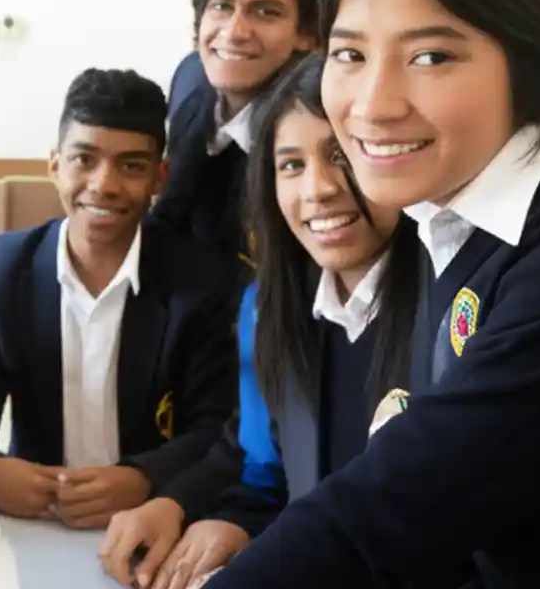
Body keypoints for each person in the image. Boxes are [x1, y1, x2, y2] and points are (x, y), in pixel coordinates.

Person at [207, 0, 540, 587]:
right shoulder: (451, 224)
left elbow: (400, 503)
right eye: (350, 54)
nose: (372, 105)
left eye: (430, 58)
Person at [99, 55, 430, 588]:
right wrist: (196, 511)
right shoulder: (266, 308)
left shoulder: (451, 314)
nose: (317, 189)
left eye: (342, 155)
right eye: (291, 165)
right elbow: (265, 472)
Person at [0, 68, 239, 528]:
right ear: (54, 165)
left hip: (154, 523)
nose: (103, 184)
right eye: (84, 159)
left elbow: (220, 427)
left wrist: (145, 477)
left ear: (160, 177)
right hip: (36, 524)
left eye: (131, 166)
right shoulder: (4, 268)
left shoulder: (203, 281)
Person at [152, 0, 335, 263]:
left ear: (308, 32)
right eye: (222, 6)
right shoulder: (191, 80)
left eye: (265, 12)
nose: (234, 32)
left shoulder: (318, 130)